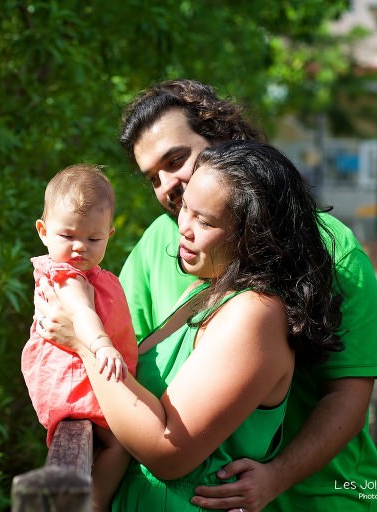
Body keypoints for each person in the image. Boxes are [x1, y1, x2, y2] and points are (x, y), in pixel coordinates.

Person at [117, 79, 377, 510]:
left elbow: (348, 397)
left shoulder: (334, 250)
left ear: (223, 138)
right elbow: (123, 353)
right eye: (154, 177)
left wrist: (276, 478)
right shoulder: (160, 242)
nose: (169, 183)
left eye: (176, 159)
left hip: (316, 496)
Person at [37, 140, 345, 510]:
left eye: (205, 220)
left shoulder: (256, 314)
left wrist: (84, 343)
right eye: (186, 209)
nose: (184, 228)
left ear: (252, 235)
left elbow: (168, 452)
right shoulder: (205, 292)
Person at [21, 164, 138, 511]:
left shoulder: (88, 275)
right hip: (72, 379)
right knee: (119, 443)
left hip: (78, 375)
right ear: (43, 231)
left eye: (93, 239)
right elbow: (83, 314)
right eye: (67, 236)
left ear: (109, 235)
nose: (79, 248)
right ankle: (97, 502)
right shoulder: (68, 279)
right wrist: (103, 346)